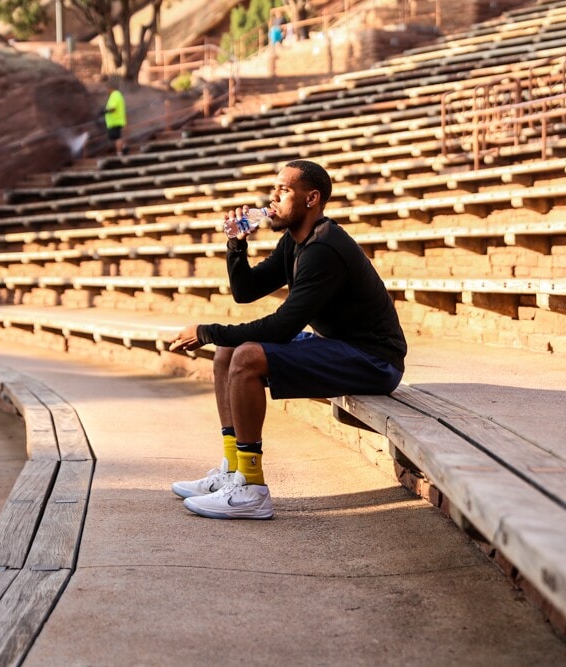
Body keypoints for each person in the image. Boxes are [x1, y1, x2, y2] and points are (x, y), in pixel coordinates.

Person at [168, 160, 408, 520]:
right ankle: (234, 470)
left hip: (374, 360)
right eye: (274, 189)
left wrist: (205, 331)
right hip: (339, 346)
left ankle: (251, 488)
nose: (272, 197)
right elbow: (245, 292)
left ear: (312, 198)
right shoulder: (294, 242)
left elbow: (280, 328)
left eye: (284, 190)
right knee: (228, 352)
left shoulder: (323, 248)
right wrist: (236, 245)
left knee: (247, 356)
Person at [102, 84, 126, 156]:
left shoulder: (114, 95)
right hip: (116, 121)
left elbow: (113, 108)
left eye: (107, 88)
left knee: (117, 137)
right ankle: (124, 147)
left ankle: (119, 152)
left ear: (111, 88)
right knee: (114, 137)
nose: (106, 90)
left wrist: (105, 111)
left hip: (115, 121)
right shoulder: (118, 95)